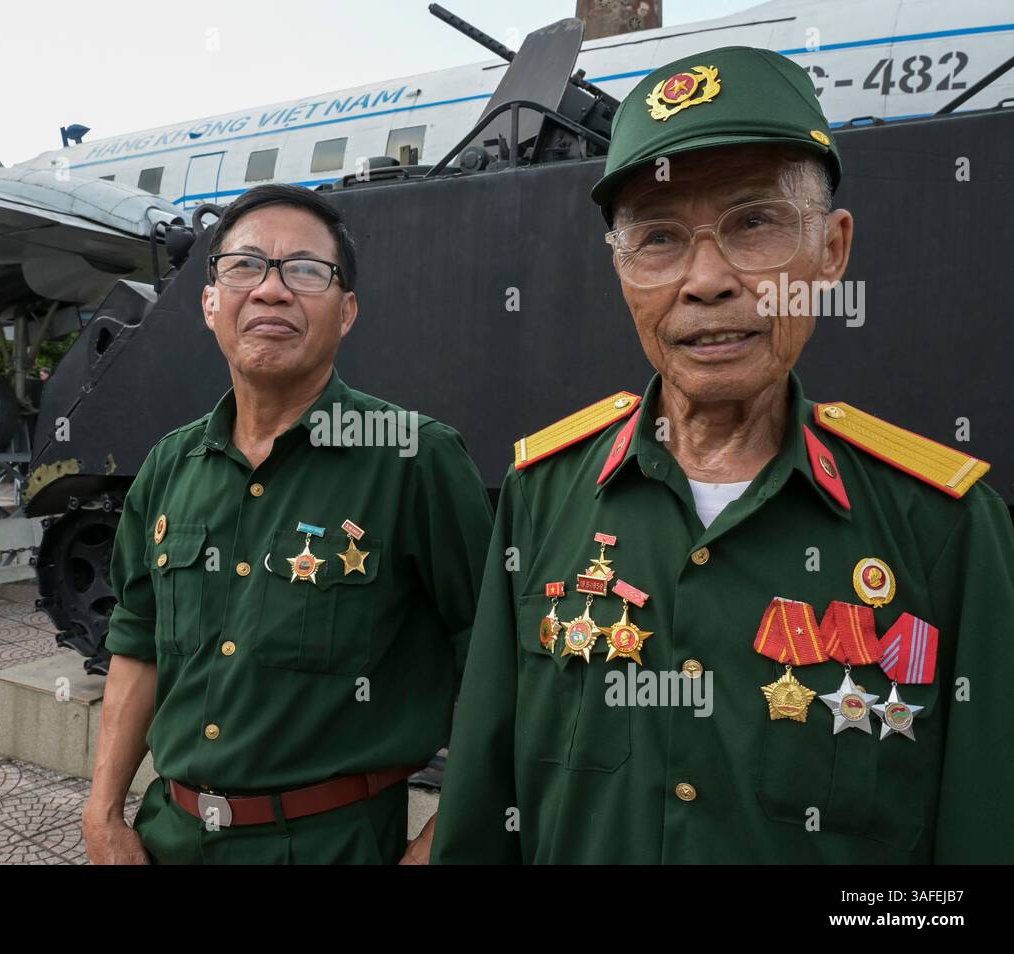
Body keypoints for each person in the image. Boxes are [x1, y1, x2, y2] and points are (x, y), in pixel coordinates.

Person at [432, 46, 1014, 864]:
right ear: (620, 270)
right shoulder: (541, 495)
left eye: (754, 222)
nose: (706, 281)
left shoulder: (945, 528)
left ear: (833, 252)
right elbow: (483, 808)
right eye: (660, 238)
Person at [82, 183, 492, 864]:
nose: (271, 291)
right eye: (244, 266)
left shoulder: (413, 460)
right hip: (169, 835)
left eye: (306, 270)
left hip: (329, 844)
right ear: (209, 301)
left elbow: (493, 657)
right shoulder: (169, 465)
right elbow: (138, 643)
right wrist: (102, 813)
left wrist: (449, 833)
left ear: (347, 310)